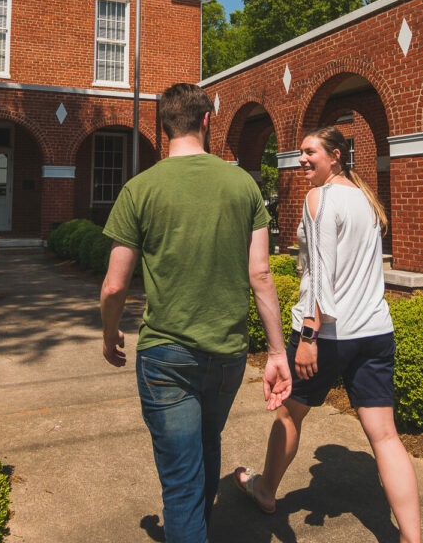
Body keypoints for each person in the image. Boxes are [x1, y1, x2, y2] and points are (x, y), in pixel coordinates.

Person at [100, 83, 293, 543]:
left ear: (164, 126)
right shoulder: (242, 183)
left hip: (165, 357)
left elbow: (114, 284)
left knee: (181, 478)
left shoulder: (139, 189)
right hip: (225, 354)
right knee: (206, 448)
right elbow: (261, 274)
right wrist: (277, 351)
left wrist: (109, 334)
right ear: (207, 121)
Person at [231, 126, 422, 543]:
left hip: (328, 334)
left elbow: (320, 275)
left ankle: (264, 490)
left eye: (309, 152)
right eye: (300, 152)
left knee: (288, 415)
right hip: (375, 332)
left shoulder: (321, 197)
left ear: (335, 155)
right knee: (386, 436)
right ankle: (412, 538)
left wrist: (310, 336)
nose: (301, 159)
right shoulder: (365, 200)